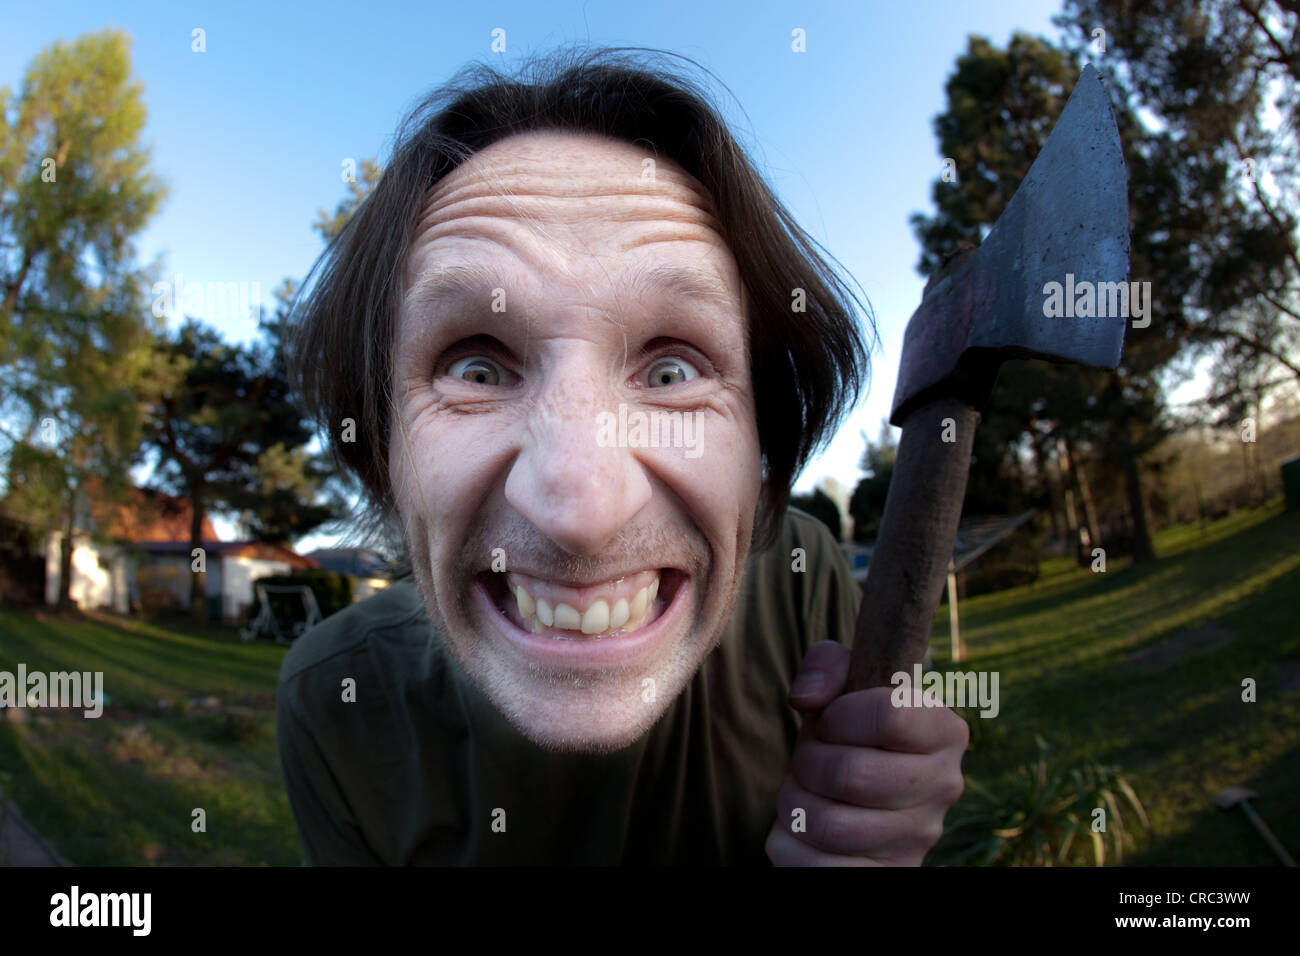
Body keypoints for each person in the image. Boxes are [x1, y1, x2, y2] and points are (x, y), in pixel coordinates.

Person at [278, 47, 968, 865]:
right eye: (475, 367)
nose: (581, 509)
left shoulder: (804, 579)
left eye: (671, 370)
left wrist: (872, 815)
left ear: (760, 442)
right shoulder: (332, 698)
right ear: (385, 443)